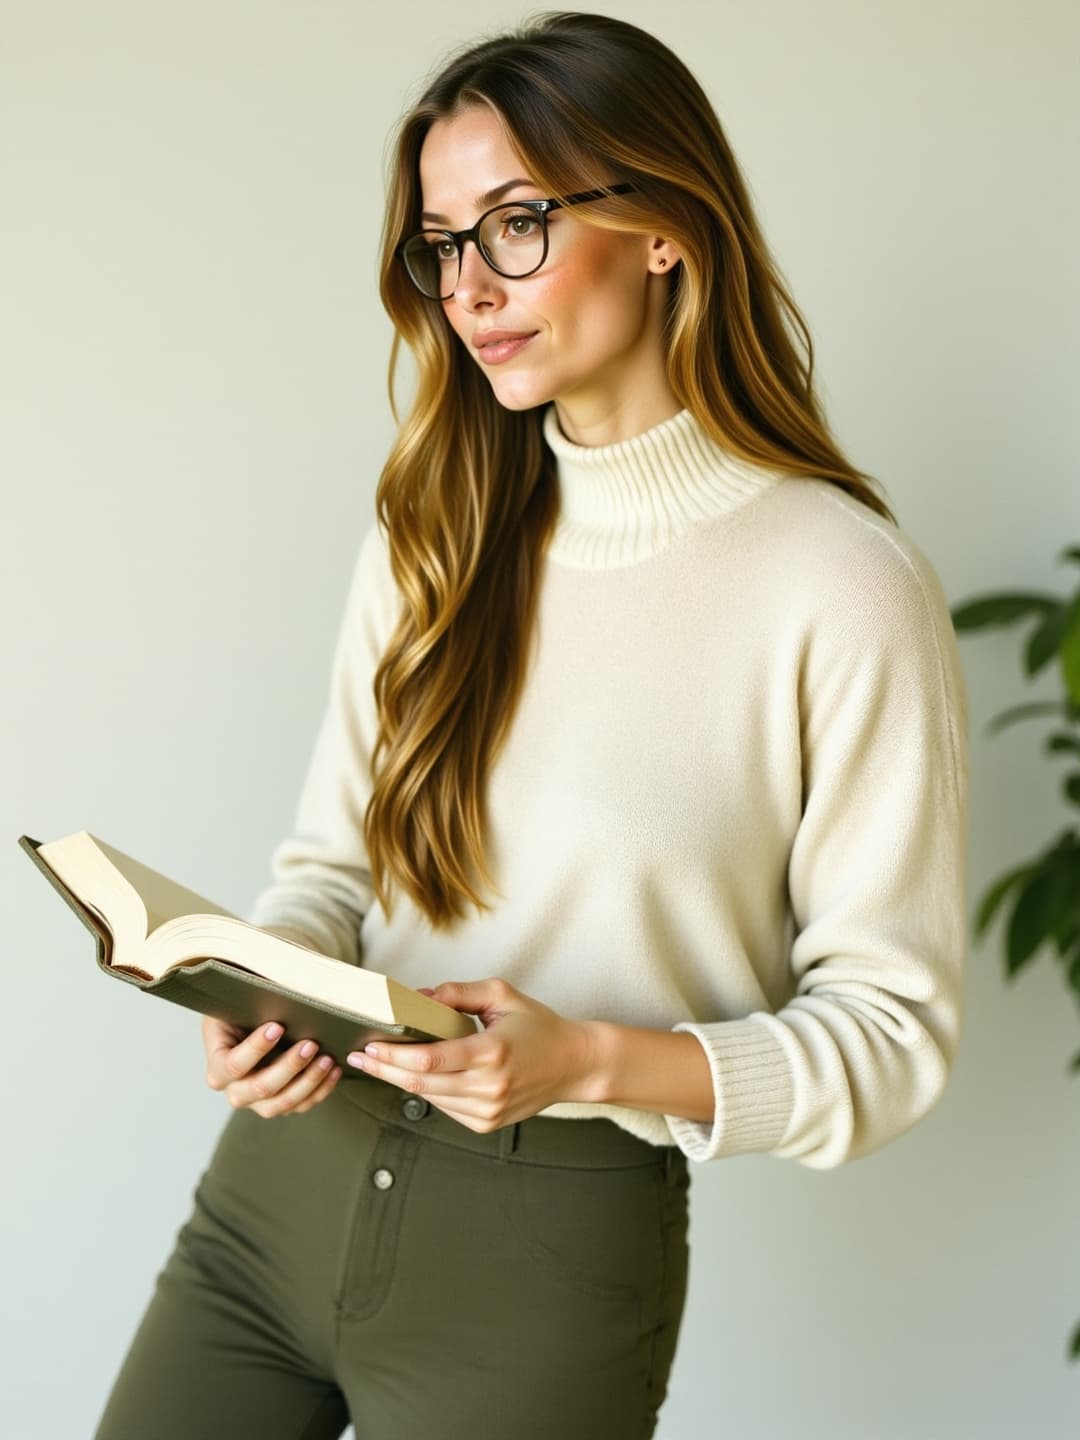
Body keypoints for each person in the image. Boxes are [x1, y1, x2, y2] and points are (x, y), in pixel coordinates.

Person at [92, 12, 970, 1440]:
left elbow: (893, 1038)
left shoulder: (842, 583)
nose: (471, 288)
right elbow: (331, 867)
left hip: (548, 1257)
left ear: (667, 225)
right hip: (275, 1197)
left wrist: (591, 1061)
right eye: (443, 245)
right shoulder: (432, 527)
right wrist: (269, 990)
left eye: (516, 225)